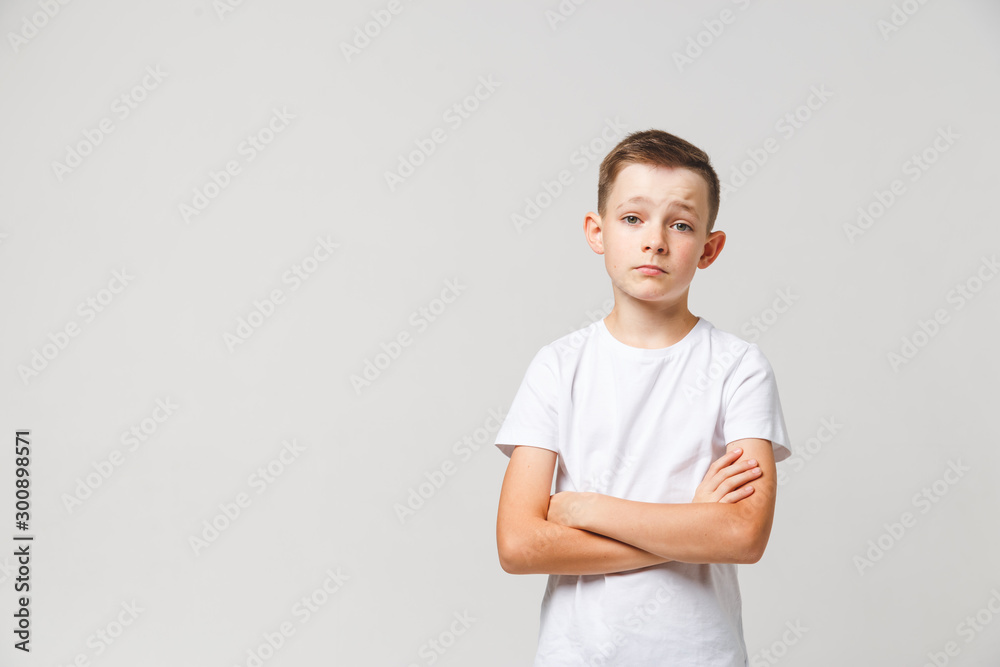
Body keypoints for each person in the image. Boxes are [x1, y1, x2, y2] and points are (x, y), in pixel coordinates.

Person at [494, 129, 792, 666]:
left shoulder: (739, 367)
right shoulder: (557, 367)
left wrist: (587, 509)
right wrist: (691, 527)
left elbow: (743, 535)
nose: (655, 239)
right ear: (597, 231)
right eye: (633, 218)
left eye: (680, 224)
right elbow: (519, 546)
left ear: (709, 248)